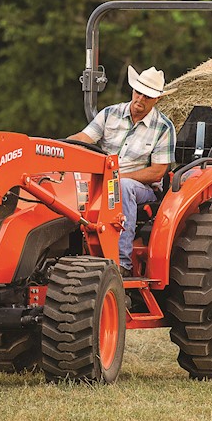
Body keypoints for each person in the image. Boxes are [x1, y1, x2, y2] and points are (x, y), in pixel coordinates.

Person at [68, 65, 176, 276]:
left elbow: (157, 172)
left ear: (157, 100)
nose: (140, 100)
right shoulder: (110, 114)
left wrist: (117, 178)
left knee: (122, 187)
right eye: (138, 93)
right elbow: (84, 139)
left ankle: (121, 263)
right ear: (132, 90)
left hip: (140, 188)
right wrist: (55, 147)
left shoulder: (163, 127)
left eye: (147, 96)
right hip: (103, 179)